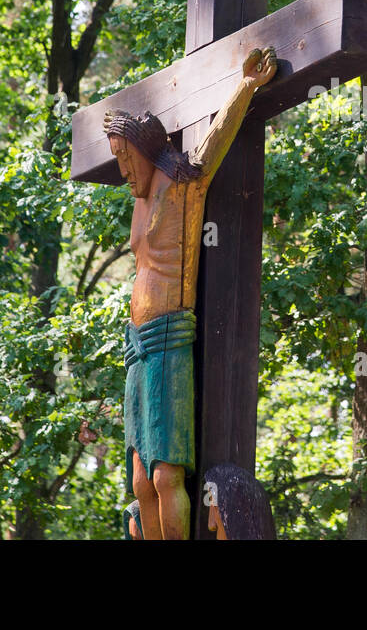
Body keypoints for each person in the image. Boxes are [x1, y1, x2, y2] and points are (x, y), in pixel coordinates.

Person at [106, 48, 277, 540]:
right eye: (115, 159)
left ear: (143, 147)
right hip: (135, 346)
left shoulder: (181, 183)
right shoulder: (138, 204)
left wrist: (246, 86)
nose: (121, 170)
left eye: (124, 157)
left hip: (167, 338)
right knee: (140, 483)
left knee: (165, 474)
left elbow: (214, 145)